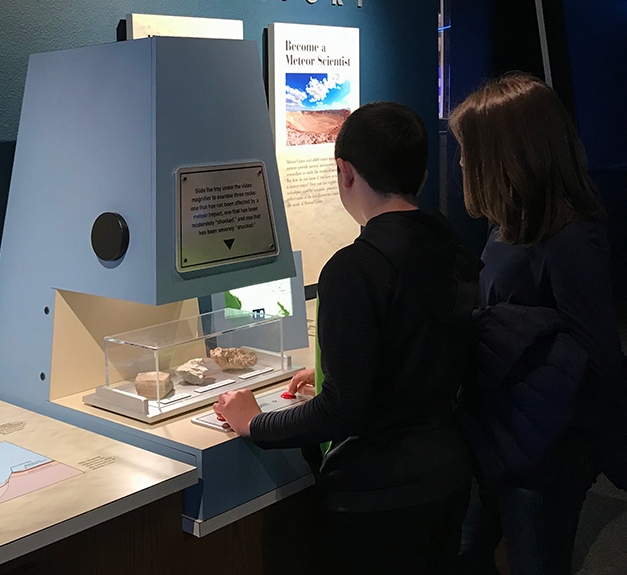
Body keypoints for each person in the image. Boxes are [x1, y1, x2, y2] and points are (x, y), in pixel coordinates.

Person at [215, 101, 481, 575]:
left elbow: (342, 410)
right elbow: (421, 351)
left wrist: (254, 422)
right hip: (447, 474)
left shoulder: (353, 270)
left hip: (380, 496)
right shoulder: (450, 246)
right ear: (420, 174)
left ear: (345, 171)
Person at [449, 73, 627, 575]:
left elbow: (599, 360)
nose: (462, 162)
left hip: (545, 454)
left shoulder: (570, 243)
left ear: (504, 158)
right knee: (465, 550)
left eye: (470, 151)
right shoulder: (512, 224)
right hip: (502, 435)